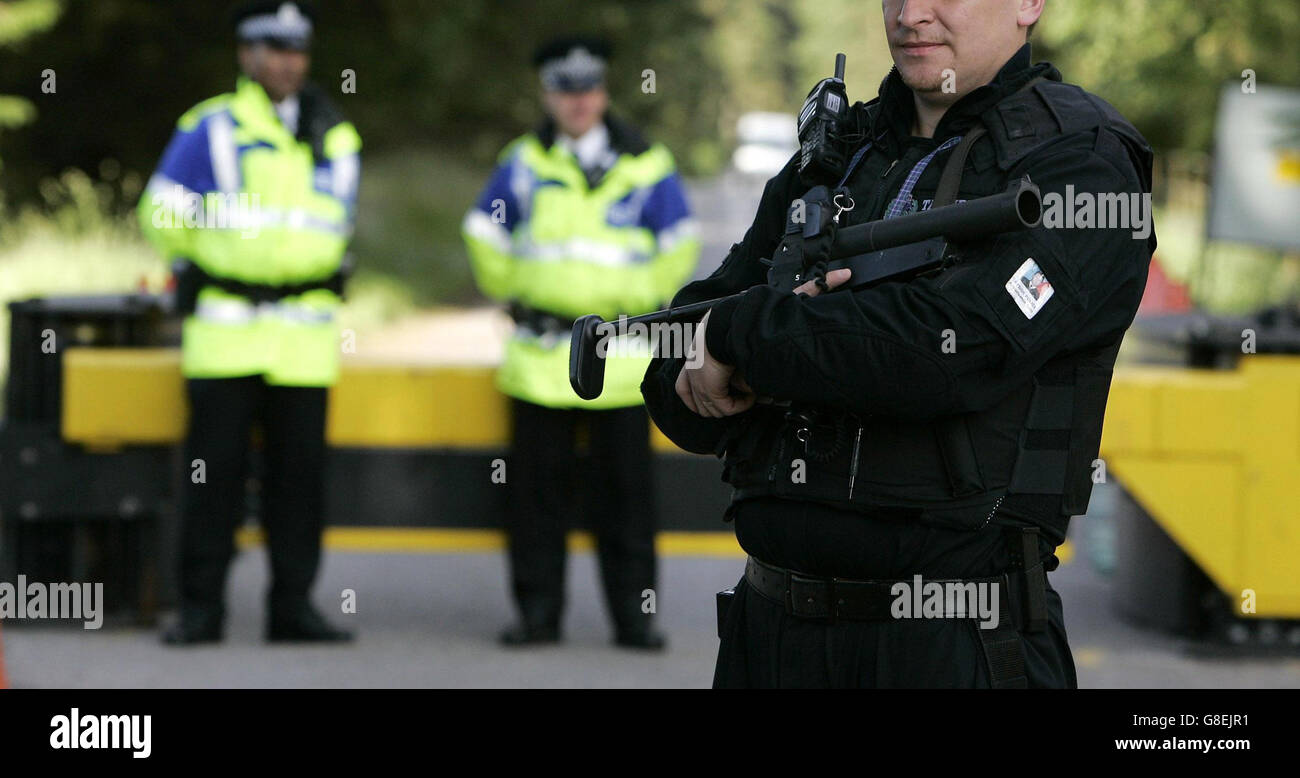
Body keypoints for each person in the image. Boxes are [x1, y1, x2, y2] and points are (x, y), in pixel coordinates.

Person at [643, 0, 1156, 687]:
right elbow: (679, 362)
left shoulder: (1082, 167)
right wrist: (755, 348)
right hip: (769, 637)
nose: (913, 13)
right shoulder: (835, 159)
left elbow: (942, 355)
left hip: (954, 645)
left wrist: (757, 339)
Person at [462, 37, 699, 649]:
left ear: (604, 92)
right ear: (547, 95)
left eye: (587, 88)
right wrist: (520, 287)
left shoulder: (646, 163)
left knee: (626, 503)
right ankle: (537, 615)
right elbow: (482, 231)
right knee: (535, 503)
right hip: (541, 360)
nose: (577, 101)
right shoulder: (523, 162)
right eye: (564, 90)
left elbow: (680, 241)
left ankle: (634, 618)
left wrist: (639, 294)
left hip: (622, 363)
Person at [138, 1, 360, 645]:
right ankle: (201, 611)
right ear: (246, 53)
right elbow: (160, 213)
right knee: (212, 482)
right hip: (227, 336)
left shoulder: (333, 132)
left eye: (298, 50)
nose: (289, 61)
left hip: (304, 340)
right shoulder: (209, 128)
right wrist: (207, 260)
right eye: (275, 48)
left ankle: (293, 608)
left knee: (300, 485)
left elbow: (336, 228)